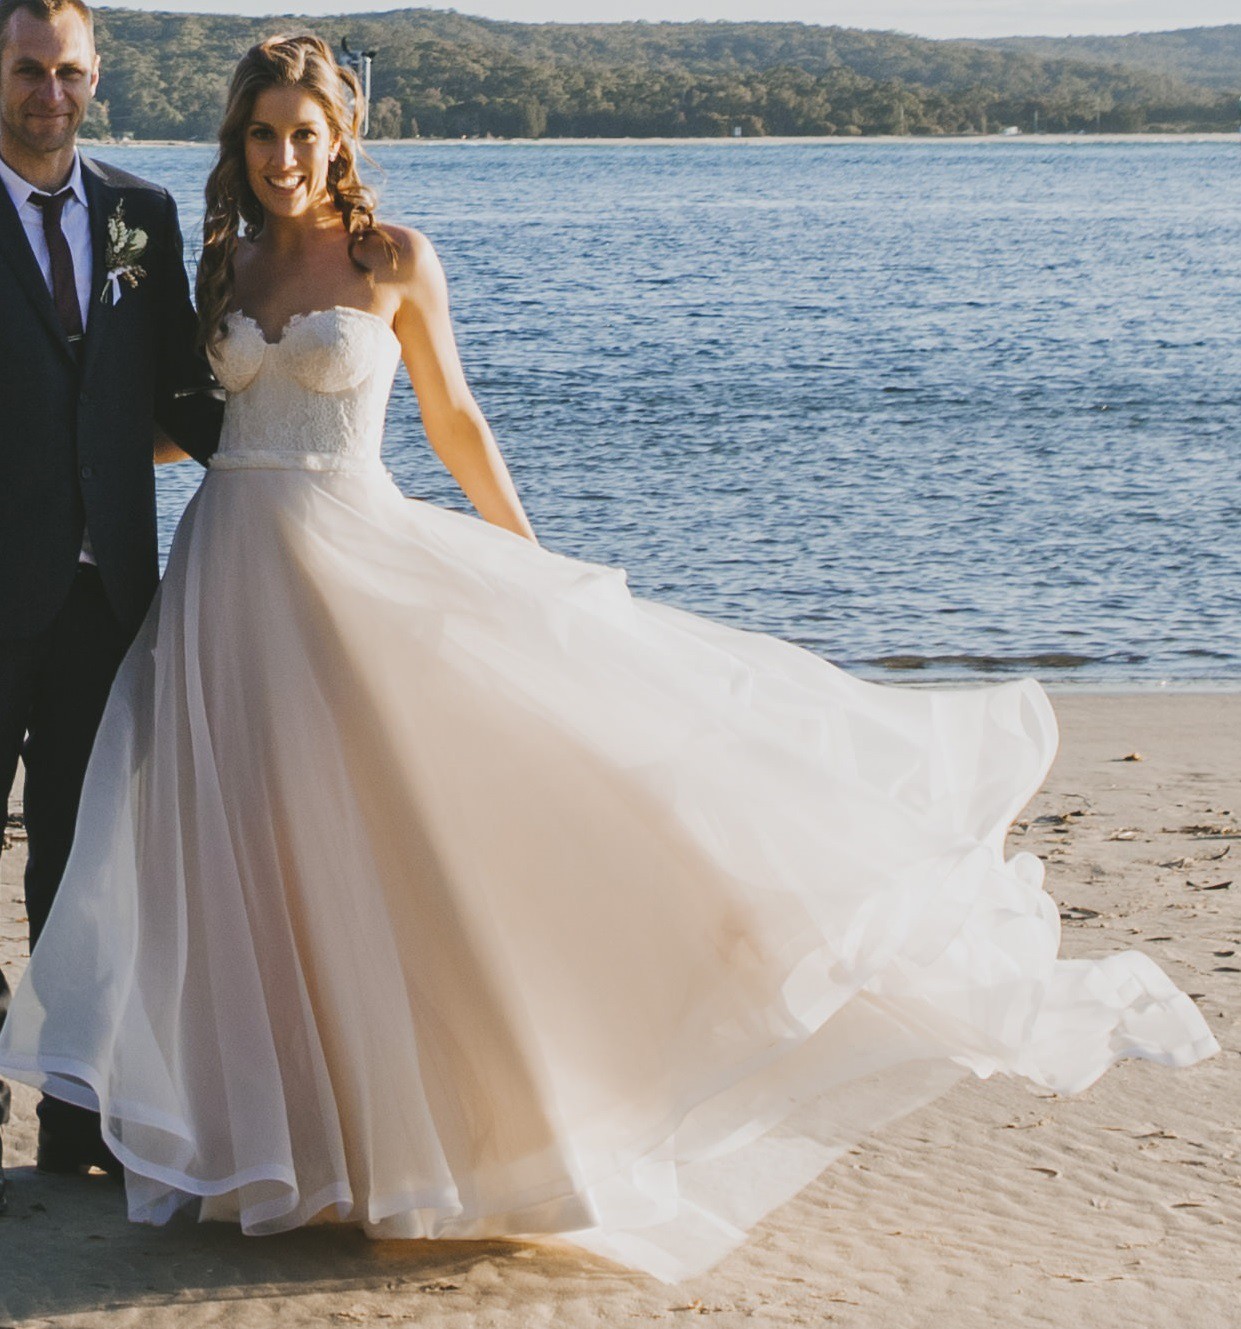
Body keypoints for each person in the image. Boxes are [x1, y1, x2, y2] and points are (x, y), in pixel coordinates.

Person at [0, 33, 1219, 1278]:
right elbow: (171, 419)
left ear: (341, 139)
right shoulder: (218, 261)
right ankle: (265, 1141)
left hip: (349, 575)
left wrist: (527, 566)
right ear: (236, 143)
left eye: (302, 134)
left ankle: (411, 1139)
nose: (280, 157)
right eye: (261, 135)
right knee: (247, 866)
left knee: (385, 851)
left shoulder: (395, 260)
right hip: (224, 590)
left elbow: (455, 418)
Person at [0, 0, 222, 1212]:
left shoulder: (141, 214)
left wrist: (289, 468)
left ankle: (74, 1119)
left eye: (68, 71)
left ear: (97, 76)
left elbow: (178, 385)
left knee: (86, 868)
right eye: (29, 69)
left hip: (107, 596)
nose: (50, 91)